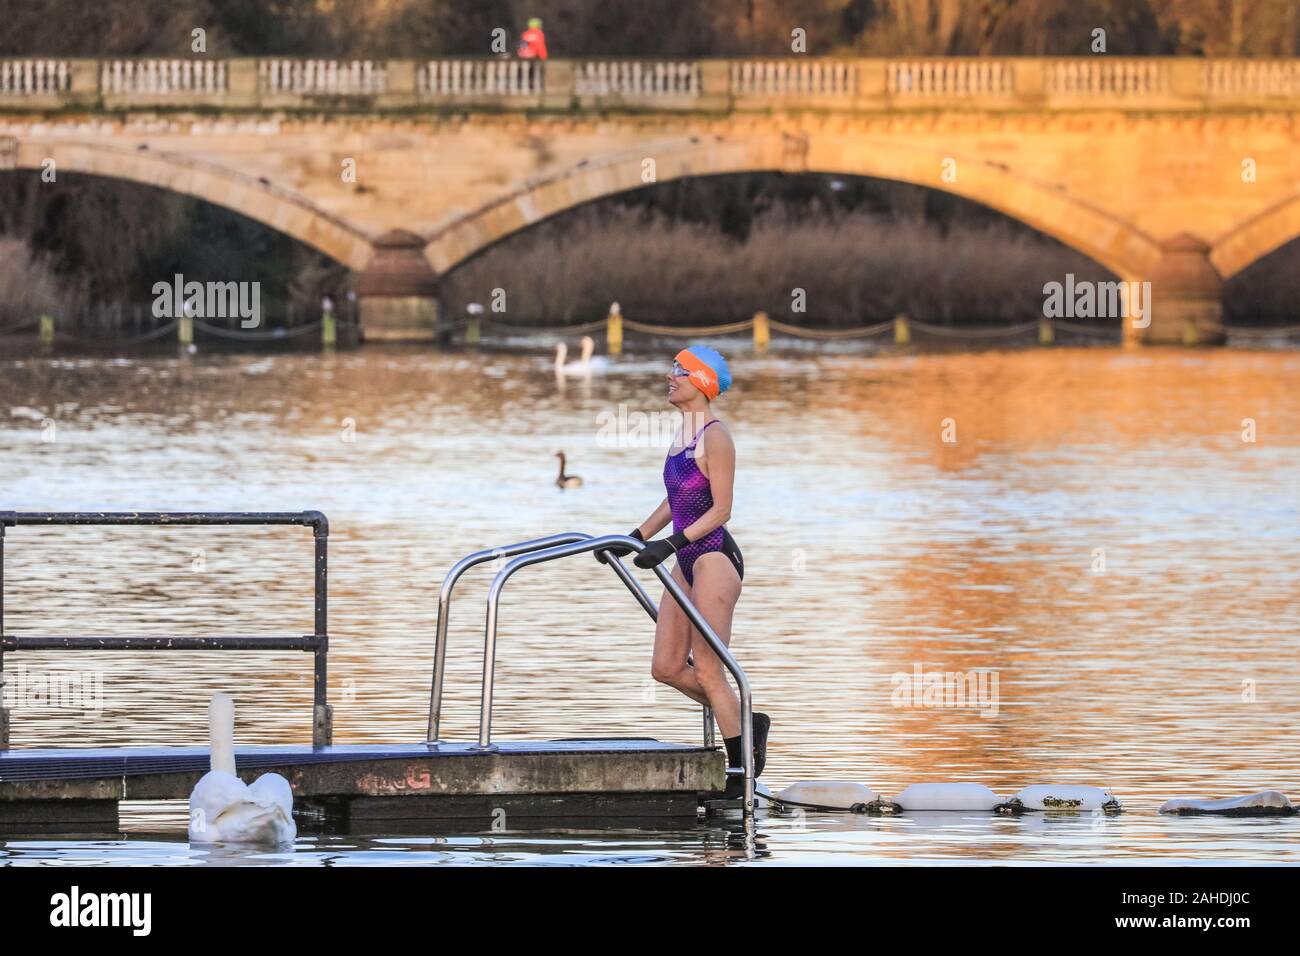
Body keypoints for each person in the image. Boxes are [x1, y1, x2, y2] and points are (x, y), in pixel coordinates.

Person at [599, 345, 770, 796]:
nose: (670, 377)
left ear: (702, 383)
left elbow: (722, 509)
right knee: (667, 667)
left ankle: (740, 776)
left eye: (680, 372)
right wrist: (632, 537)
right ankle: (746, 719)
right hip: (686, 559)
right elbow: (674, 502)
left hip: (713, 558)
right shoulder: (681, 435)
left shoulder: (716, 437)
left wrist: (671, 543)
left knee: (711, 672)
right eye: (673, 370)